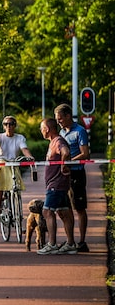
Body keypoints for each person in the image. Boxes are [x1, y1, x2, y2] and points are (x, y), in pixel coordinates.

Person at [0, 115, 34, 241]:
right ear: (3, 126)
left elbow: (24, 149)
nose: (9, 126)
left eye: (12, 123)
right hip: (1, 166)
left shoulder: (19, 138)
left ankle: (18, 218)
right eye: (6, 124)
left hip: (13, 166)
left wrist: (30, 157)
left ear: (15, 125)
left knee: (16, 193)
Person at [38, 117, 77, 255]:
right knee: (64, 213)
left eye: (42, 128)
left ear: (47, 129)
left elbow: (65, 151)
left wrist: (64, 165)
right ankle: (71, 244)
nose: (41, 131)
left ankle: (52, 244)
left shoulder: (58, 141)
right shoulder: (53, 142)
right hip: (57, 184)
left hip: (57, 184)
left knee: (47, 212)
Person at [55, 104, 90, 252]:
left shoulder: (80, 131)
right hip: (64, 175)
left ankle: (82, 242)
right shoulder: (61, 133)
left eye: (61, 119)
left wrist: (69, 161)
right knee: (65, 208)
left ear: (68, 116)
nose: (59, 122)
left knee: (79, 208)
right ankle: (70, 241)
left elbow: (85, 153)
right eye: (57, 120)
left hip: (76, 173)